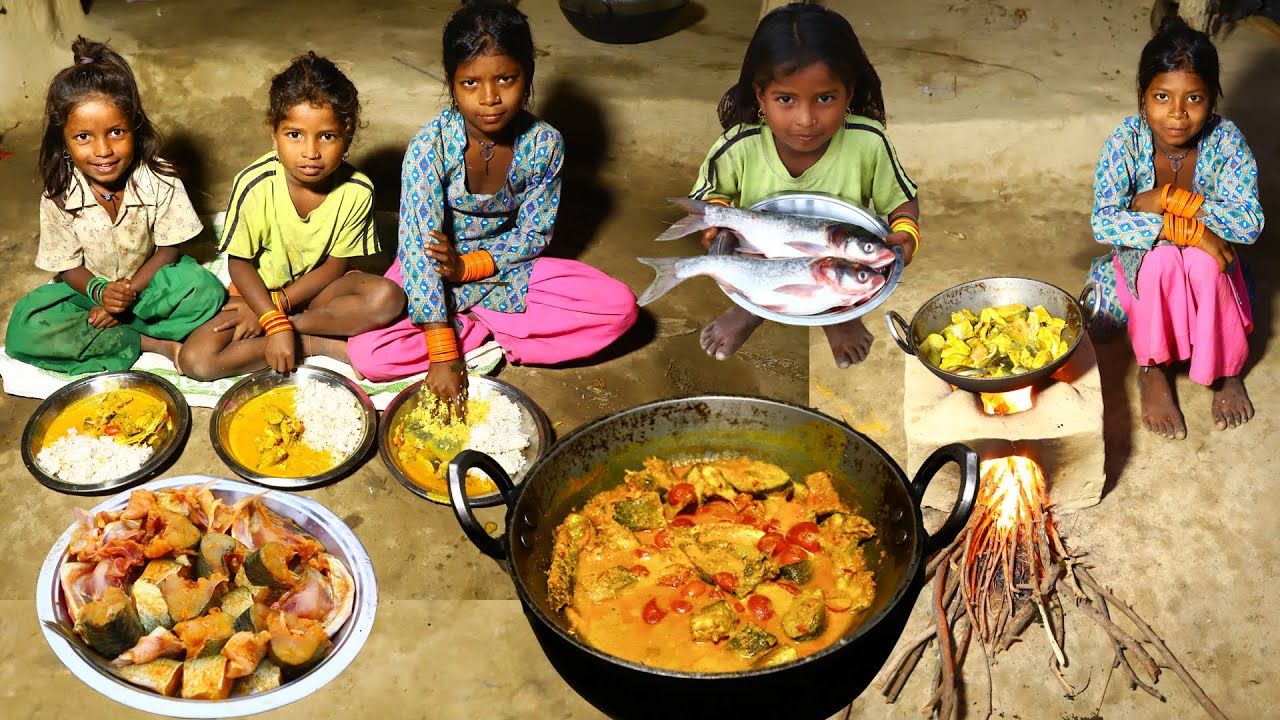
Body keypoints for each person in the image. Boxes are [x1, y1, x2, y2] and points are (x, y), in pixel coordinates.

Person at [347, 0, 639, 416]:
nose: (490, 98)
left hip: (504, 268)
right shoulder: (429, 146)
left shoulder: (544, 144)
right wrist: (443, 353)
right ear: (451, 81)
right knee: (369, 355)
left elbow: (533, 235)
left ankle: (472, 324)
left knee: (618, 308)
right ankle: (473, 328)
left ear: (528, 75)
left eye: (506, 78)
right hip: (431, 270)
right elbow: (417, 247)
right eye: (470, 83)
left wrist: (469, 269)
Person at [685, 3, 920, 368]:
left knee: (847, 279)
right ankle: (749, 310)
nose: (807, 119)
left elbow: (902, 200)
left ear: (849, 92)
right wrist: (718, 223)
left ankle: (838, 316)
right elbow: (713, 197)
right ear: (760, 95)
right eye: (786, 99)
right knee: (751, 270)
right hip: (757, 254)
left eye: (825, 98)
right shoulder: (739, 144)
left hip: (839, 258)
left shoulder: (868, 141)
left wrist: (906, 232)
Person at [1086, 16, 1263, 439]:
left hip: (1209, 264)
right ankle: (1154, 369)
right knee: (1163, 261)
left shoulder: (1226, 140)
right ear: (1142, 96)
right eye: (1162, 96)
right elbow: (1103, 221)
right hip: (1152, 263)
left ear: (1213, 99)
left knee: (1205, 265)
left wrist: (1167, 203)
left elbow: (1249, 223)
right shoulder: (1125, 141)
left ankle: (1225, 370)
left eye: (1195, 98)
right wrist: (1185, 225)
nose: (1178, 114)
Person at [178, 52, 405, 380]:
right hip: (257, 292)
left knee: (387, 297)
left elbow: (335, 266)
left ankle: (296, 334)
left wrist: (277, 319)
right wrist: (265, 310)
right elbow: (239, 263)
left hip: (320, 293)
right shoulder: (255, 185)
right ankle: (318, 344)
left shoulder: (357, 190)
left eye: (326, 136)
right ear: (274, 132)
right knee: (197, 360)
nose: (310, 151)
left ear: (348, 134)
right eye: (294, 134)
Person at [6, 37, 225, 375]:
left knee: (204, 291)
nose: (103, 150)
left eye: (116, 132)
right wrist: (100, 294)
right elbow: (67, 267)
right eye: (83, 137)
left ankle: (119, 327)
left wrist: (125, 296)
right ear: (62, 140)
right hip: (88, 291)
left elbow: (169, 248)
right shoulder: (59, 196)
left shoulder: (160, 177)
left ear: (134, 128)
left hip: (148, 283)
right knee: (26, 327)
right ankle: (150, 342)